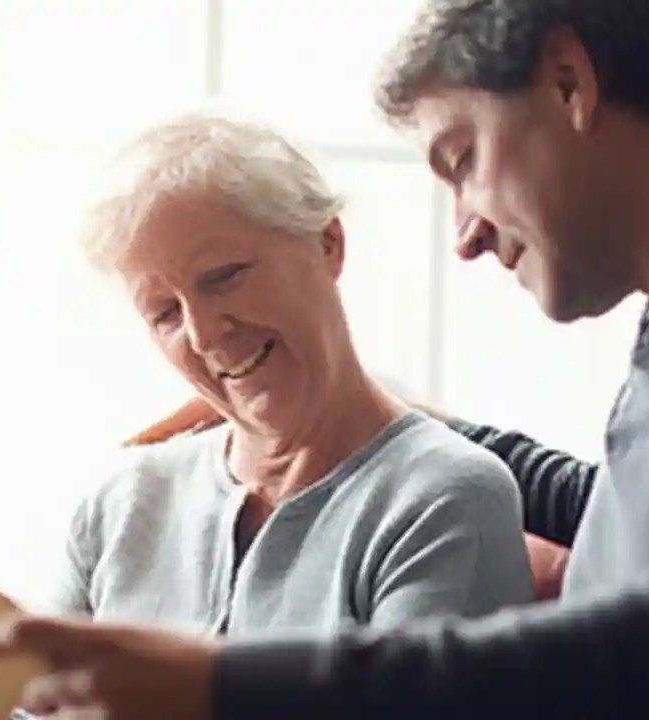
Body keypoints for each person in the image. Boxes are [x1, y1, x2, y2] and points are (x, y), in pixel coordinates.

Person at [0, 1, 649, 717]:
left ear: (569, 84)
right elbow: (641, 527)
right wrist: (376, 420)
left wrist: (224, 684)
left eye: (460, 160)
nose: (463, 234)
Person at [36, 115, 534, 641]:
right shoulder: (121, 502)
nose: (203, 335)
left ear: (328, 244)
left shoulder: (445, 497)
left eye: (223, 277)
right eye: (165, 313)